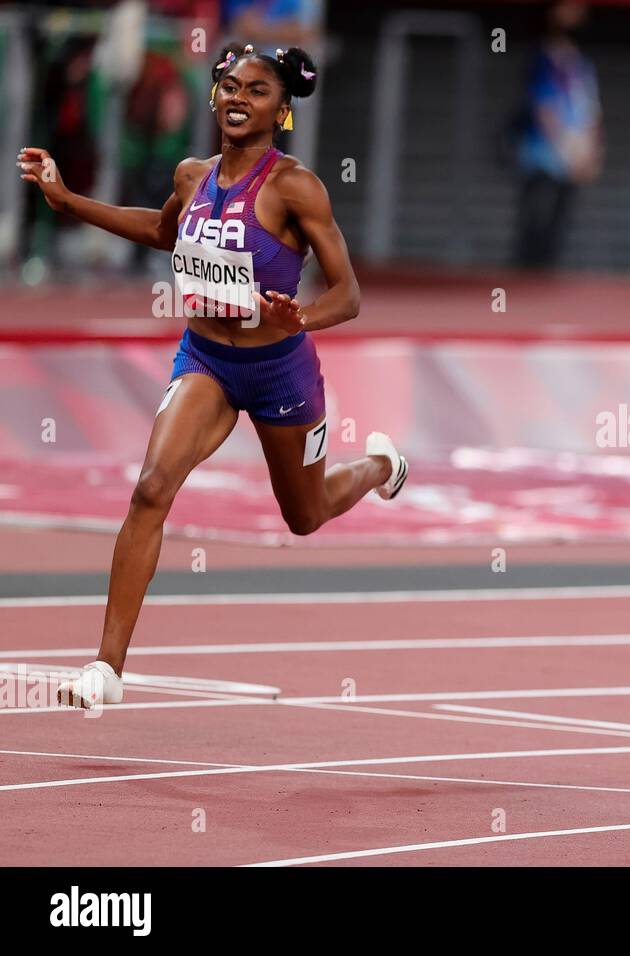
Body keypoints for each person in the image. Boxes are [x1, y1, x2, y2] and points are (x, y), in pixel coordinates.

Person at [16, 44, 407, 709]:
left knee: (304, 515)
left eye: (256, 91)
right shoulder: (192, 176)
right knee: (150, 487)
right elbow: (161, 233)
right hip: (207, 360)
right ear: (212, 97)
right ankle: (106, 669)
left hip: (281, 371)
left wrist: (299, 319)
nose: (237, 98)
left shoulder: (296, 187)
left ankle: (376, 467)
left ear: (281, 111)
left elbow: (349, 294)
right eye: (229, 85)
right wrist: (67, 201)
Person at [514, 0, 602, 270]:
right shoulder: (542, 57)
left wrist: (592, 151)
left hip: (574, 154)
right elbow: (544, 107)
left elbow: (590, 108)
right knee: (535, 221)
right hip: (543, 155)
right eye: (569, 8)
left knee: (559, 223)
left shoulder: (581, 61)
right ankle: (525, 277)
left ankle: (545, 280)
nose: (577, 14)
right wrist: (566, 150)